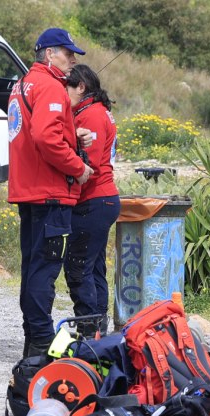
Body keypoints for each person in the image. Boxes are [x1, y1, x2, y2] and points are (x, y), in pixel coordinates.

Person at [7, 28, 94, 357]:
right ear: (48, 54)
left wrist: (73, 133)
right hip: (50, 193)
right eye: (67, 52)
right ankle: (42, 341)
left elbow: (38, 133)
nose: (73, 59)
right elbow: (46, 139)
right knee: (44, 270)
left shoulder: (24, 83)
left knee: (31, 268)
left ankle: (33, 340)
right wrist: (78, 167)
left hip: (29, 191)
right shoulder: (51, 87)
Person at [63, 64, 120, 337]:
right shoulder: (98, 112)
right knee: (94, 266)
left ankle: (88, 329)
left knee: (77, 267)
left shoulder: (91, 116)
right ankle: (98, 328)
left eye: (67, 87)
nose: (64, 94)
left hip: (94, 199)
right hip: (103, 200)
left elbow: (90, 164)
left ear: (81, 87)